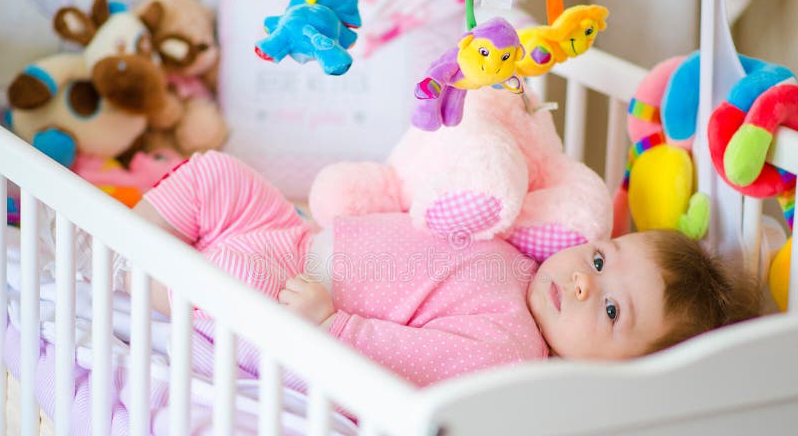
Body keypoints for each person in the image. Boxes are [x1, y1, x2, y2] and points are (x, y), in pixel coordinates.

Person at [129, 151, 762, 387]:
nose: (582, 281)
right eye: (600, 259)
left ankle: (138, 282)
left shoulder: (511, 351)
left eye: (611, 309)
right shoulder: (527, 256)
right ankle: (131, 246)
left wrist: (334, 325)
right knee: (217, 173)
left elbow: (412, 358)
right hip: (298, 237)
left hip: (302, 305)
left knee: (232, 277)